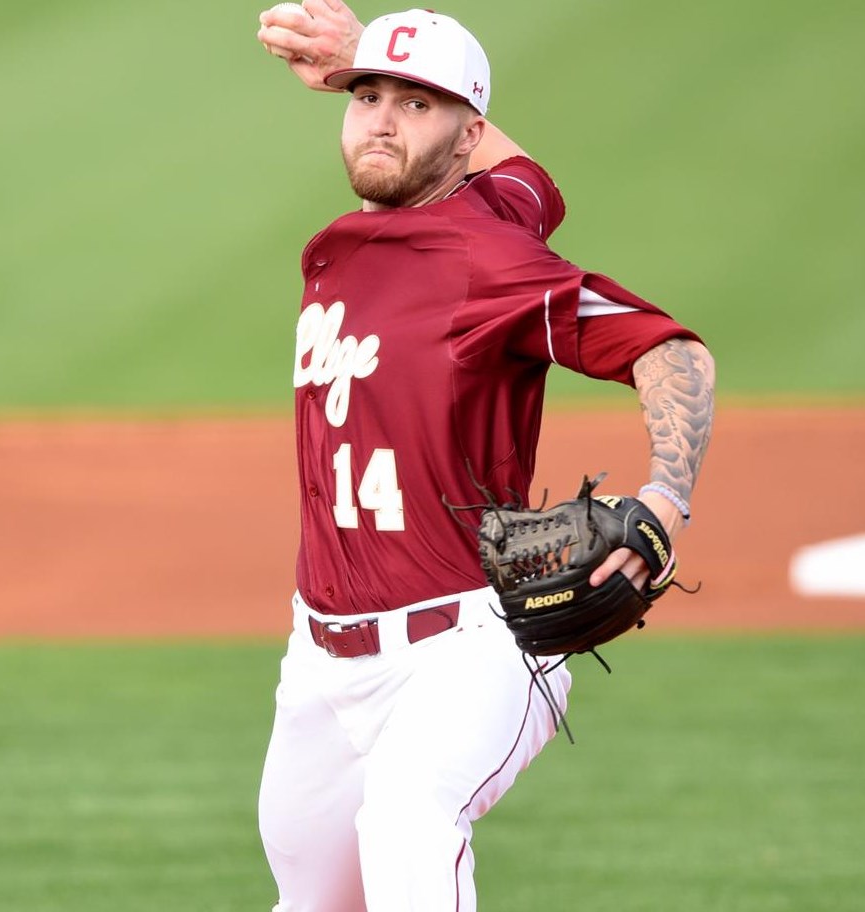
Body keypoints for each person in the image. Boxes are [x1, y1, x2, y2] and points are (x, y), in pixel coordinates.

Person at [253, 5, 717, 910]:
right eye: (368, 96)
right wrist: (375, 56)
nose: (381, 118)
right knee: (309, 902)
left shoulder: (492, 260)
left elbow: (672, 353)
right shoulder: (440, 215)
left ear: (464, 135)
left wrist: (666, 500)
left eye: (416, 105)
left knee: (407, 822)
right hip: (319, 658)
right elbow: (527, 173)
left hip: (465, 645)